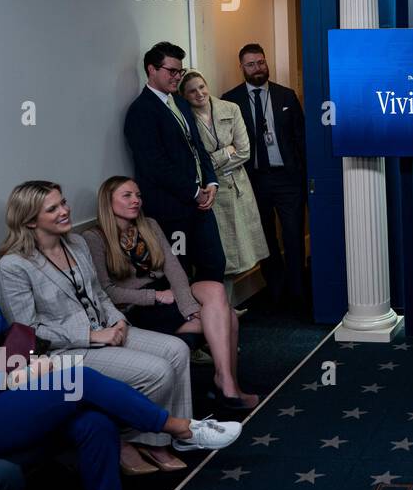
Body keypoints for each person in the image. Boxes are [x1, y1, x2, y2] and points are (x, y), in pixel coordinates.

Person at [0, 279, 241, 490]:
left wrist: (24, 364)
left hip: (6, 388)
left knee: (94, 422)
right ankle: (181, 429)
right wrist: (11, 378)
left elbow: (2, 342)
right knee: (77, 379)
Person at [0, 181, 198, 474]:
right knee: (158, 371)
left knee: (177, 349)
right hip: (62, 352)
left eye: (63, 202)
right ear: (29, 220)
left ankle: (155, 441)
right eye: (53, 208)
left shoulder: (76, 243)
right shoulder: (12, 267)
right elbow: (28, 330)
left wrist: (118, 321)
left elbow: (100, 294)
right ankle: (124, 440)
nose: (65, 210)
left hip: (106, 329)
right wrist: (90, 335)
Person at [85, 176, 259, 410]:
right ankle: (228, 385)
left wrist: (189, 309)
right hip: (140, 305)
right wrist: (155, 297)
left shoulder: (149, 225)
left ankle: (226, 382)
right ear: (108, 201)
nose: (135, 200)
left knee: (215, 289)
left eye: (138, 195)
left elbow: (174, 268)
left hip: (171, 292)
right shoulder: (94, 238)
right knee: (227, 317)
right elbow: (107, 292)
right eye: (127, 196)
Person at [123, 42, 226, 283]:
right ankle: (193, 320)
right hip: (171, 209)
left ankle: (214, 318)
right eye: (172, 71)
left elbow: (198, 146)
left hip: (201, 204)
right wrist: (193, 192)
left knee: (215, 263)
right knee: (180, 272)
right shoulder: (141, 111)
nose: (177, 77)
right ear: (152, 69)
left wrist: (211, 182)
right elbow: (154, 165)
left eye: (180, 71)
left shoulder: (179, 102)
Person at [222, 43, 309, 311]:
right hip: (254, 180)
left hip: (287, 179)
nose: (258, 68)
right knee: (265, 238)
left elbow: (300, 139)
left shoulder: (286, 96)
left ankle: (298, 294)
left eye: (261, 62)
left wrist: (303, 175)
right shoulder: (230, 100)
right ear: (242, 68)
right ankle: (275, 291)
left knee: (293, 235)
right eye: (251, 64)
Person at [179, 70, 269, 282]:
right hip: (213, 192)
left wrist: (214, 159)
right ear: (184, 96)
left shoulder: (230, 108)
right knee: (221, 254)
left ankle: (226, 305)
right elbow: (196, 162)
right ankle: (222, 306)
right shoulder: (186, 119)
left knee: (245, 249)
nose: (199, 93)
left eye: (201, 87)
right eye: (192, 91)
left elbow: (245, 151)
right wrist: (225, 152)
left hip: (238, 186)